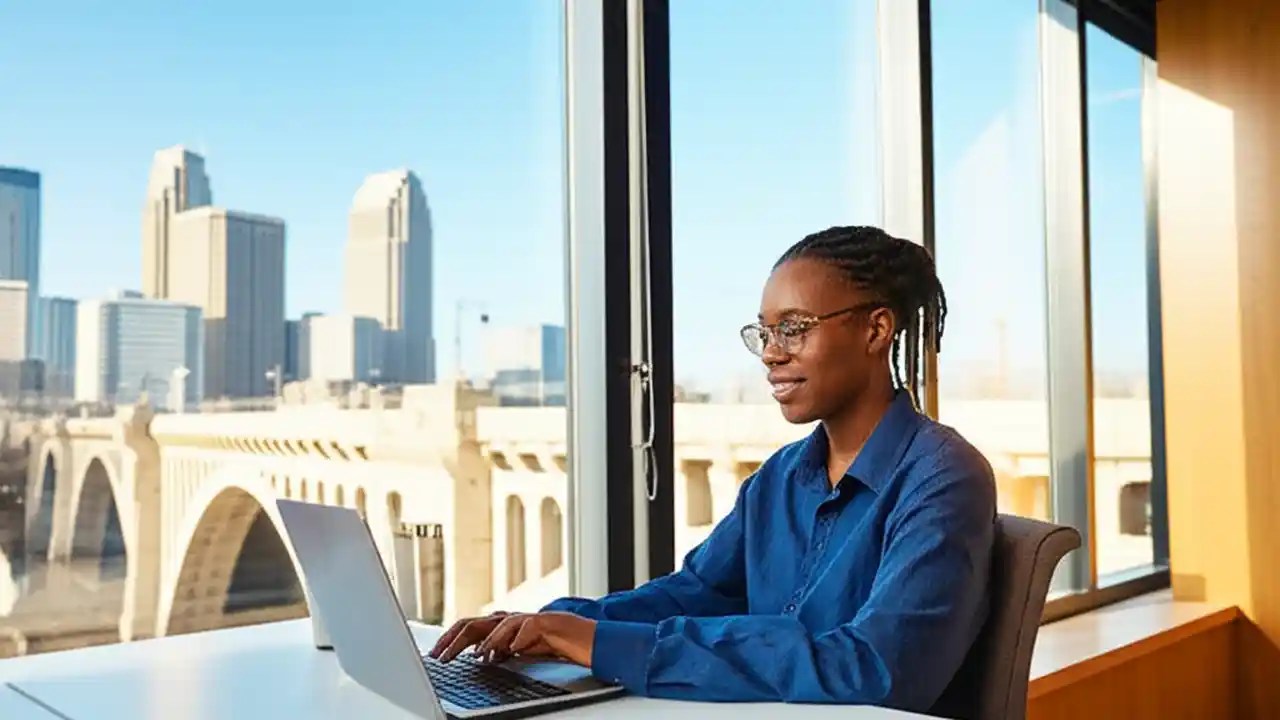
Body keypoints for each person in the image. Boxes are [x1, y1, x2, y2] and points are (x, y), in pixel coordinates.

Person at [429, 225, 996, 713]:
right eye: (766, 332)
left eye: (795, 327)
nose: (773, 352)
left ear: (876, 329)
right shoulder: (779, 479)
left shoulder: (943, 477)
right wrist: (551, 625)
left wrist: (607, 645)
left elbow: (876, 668)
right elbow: (696, 593)